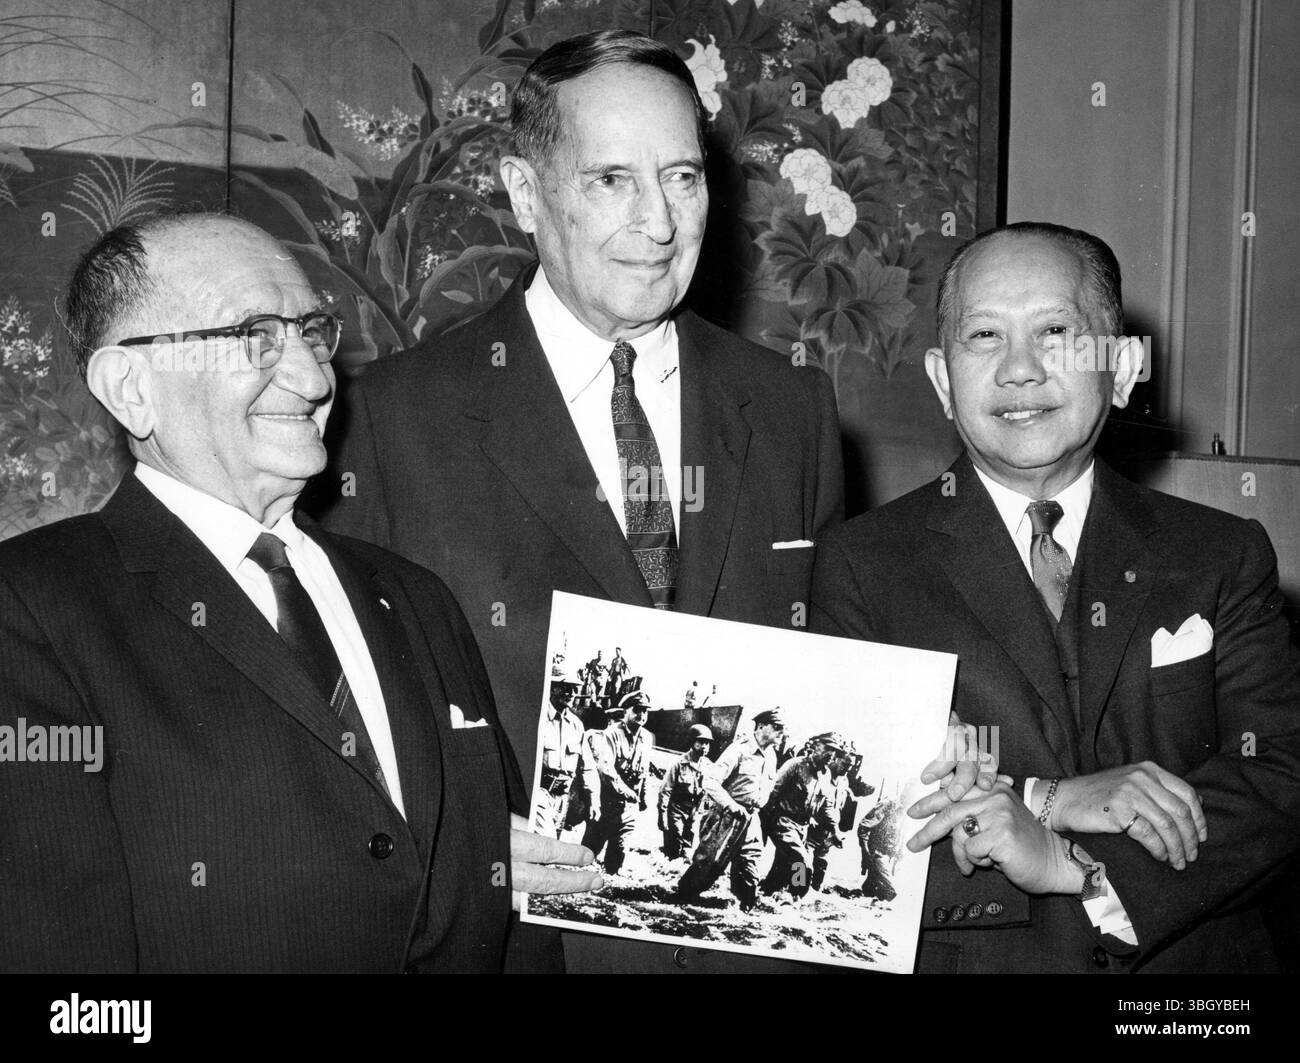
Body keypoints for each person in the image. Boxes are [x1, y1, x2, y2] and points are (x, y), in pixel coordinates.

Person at [312, 28, 843, 973]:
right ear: (527, 195)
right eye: (612, 181)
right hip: (519, 950)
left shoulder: (791, 404)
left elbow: (836, 653)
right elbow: (338, 716)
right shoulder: (393, 419)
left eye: (682, 178)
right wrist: (455, 841)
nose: (660, 223)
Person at [0, 214, 597, 973]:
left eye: (313, 331)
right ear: (132, 388)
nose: (316, 378)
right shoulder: (31, 611)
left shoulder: (414, 597)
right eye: (256, 335)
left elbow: (512, 928)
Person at [811, 221, 1300, 973]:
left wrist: (1080, 866)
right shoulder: (860, 567)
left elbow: (1281, 778)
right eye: (984, 336)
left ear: (1125, 366)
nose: (1020, 370)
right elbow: (851, 814)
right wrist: (1047, 799)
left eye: (1056, 331)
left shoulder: (1222, 553)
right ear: (944, 381)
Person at [679, 708, 784, 911]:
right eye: (777, 727)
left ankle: (741, 915)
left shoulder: (771, 756)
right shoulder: (739, 750)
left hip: (750, 820)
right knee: (706, 869)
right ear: (761, 726)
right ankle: (679, 905)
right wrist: (731, 805)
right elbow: (710, 781)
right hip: (725, 817)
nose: (781, 733)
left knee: (749, 871)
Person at [760, 734, 857, 901]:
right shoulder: (795, 765)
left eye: (834, 753)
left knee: (781, 871)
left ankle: (764, 897)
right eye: (828, 749)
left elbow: (826, 806)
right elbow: (771, 793)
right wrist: (762, 826)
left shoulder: (826, 775)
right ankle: (796, 898)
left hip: (801, 829)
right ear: (815, 746)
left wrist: (835, 831)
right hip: (782, 823)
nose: (830, 755)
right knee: (802, 863)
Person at [582, 690, 655, 874]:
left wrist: (643, 796)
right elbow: (606, 771)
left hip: (628, 808)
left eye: (645, 711)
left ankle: (609, 882)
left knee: (618, 853)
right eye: (637, 710)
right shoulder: (612, 734)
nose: (641, 715)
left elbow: (644, 770)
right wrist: (628, 792)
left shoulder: (647, 738)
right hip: (607, 802)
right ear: (626, 711)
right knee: (588, 852)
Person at [535, 682, 595, 838]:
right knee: (545, 840)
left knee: (551, 849)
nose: (572, 693)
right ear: (553, 688)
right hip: (540, 792)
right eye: (566, 687)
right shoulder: (538, 717)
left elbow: (587, 766)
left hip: (563, 798)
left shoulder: (576, 725)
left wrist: (593, 799)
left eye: (575, 689)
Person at [658, 723, 712, 858]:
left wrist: (704, 811)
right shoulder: (678, 764)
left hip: (694, 811)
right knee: (674, 842)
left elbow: (709, 792)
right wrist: (662, 815)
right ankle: (669, 863)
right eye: (701, 742)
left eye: (707, 743)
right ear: (692, 742)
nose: (705, 746)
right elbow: (665, 790)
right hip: (676, 810)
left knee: (688, 844)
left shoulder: (708, 766)